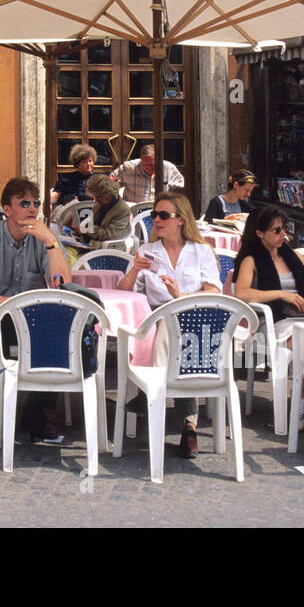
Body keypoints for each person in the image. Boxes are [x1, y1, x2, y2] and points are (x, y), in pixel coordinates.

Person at [116, 190, 219, 457]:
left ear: (181, 219)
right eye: (154, 215)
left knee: (173, 330)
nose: (157, 220)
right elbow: (123, 291)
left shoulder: (201, 251)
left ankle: (152, 393)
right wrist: (135, 270)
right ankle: (189, 425)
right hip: (158, 319)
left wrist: (180, 296)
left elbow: (213, 292)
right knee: (166, 327)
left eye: (163, 215)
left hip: (196, 320)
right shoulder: (147, 251)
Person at [0, 177, 72, 443]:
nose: (32, 209)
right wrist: (16, 306)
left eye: (36, 203)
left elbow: (64, 285)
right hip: (0, 313)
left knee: (62, 323)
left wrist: (51, 242)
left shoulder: (42, 238)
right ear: (7, 210)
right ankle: (4, 407)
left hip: (36, 315)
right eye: (24, 203)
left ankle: (37, 413)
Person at [231, 204, 304, 429]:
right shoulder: (251, 260)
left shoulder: (290, 255)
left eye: (284, 229)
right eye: (276, 230)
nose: (283, 234)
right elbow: (242, 293)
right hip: (275, 322)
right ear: (259, 233)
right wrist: (281, 294)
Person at [61, 174, 131, 263]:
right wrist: (78, 231)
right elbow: (88, 224)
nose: (95, 199)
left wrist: (85, 229)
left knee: (73, 260)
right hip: (89, 243)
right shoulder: (99, 205)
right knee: (64, 250)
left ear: (107, 194)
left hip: (105, 248)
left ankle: (75, 274)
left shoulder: (122, 210)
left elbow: (107, 235)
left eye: (98, 196)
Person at [110, 144, 184, 202]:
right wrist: (118, 200)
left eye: (152, 164)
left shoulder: (169, 168)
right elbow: (111, 180)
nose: (149, 167)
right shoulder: (128, 167)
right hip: (135, 210)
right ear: (141, 160)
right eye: (145, 164)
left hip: (160, 210)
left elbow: (181, 187)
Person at [50, 143, 97, 208]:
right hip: (69, 212)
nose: (88, 164)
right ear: (77, 164)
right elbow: (55, 195)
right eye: (84, 162)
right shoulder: (66, 178)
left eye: (90, 161)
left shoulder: (98, 179)